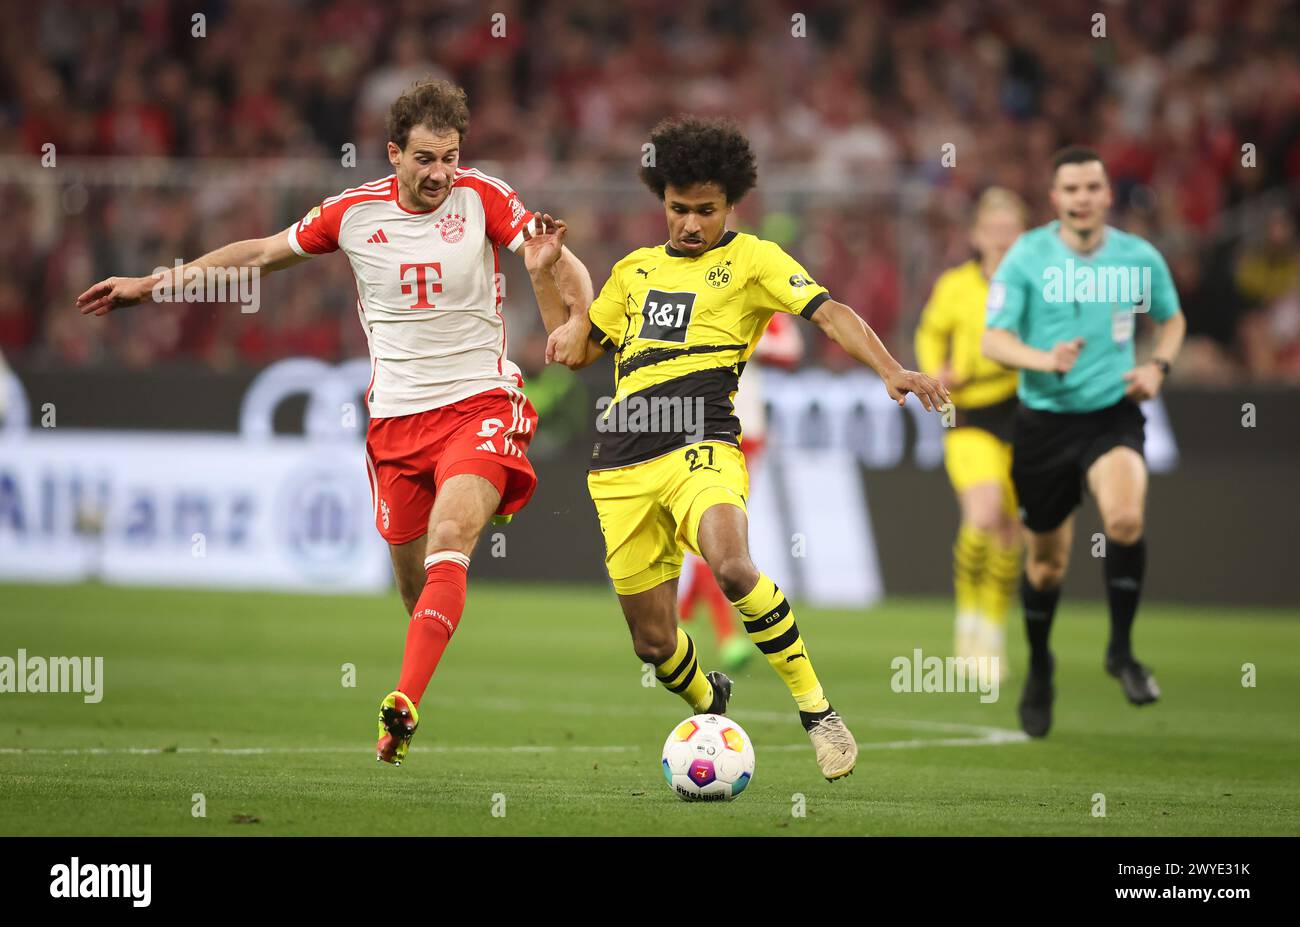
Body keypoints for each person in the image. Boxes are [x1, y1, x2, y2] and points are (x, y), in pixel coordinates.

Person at [75, 78, 593, 766]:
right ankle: (427, 636)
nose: (441, 173)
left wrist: (577, 313)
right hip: (397, 425)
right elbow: (258, 254)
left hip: (480, 403)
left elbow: (557, 258)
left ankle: (401, 706)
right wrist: (149, 284)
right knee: (417, 587)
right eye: (426, 159)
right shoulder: (351, 214)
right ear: (393, 154)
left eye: (451, 157)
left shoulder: (485, 197)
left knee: (450, 535)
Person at [535, 116, 948, 780]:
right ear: (662, 203)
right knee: (654, 643)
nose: (691, 224)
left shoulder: (754, 259)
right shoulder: (633, 271)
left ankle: (818, 712)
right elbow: (572, 351)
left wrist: (890, 368)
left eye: (706, 210)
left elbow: (830, 311)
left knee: (731, 566)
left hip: (703, 441)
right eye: (678, 209)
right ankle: (708, 697)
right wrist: (541, 274)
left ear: (731, 205)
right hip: (621, 465)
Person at [982, 146, 1186, 738]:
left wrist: (1159, 368)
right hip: (1044, 423)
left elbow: (1171, 320)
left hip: (1111, 414)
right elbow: (995, 341)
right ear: (1055, 199)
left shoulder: (1138, 257)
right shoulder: (1026, 256)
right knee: (1047, 565)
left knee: (1124, 521)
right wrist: (1044, 359)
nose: (1081, 199)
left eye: (1091, 188)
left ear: (1106, 194)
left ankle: (1120, 652)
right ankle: (1041, 666)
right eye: (1070, 189)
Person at [914, 188, 1028, 679]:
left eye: (1010, 230)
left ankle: (993, 630)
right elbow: (928, 331)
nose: (1002, 239)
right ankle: (968, 624)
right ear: (977, 235)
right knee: (982, 515)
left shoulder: (1034, 287)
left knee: (1011, 529)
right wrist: (935, 370)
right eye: (994, 230)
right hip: (971, 413)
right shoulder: (955, 286)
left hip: (1023, 411)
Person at [677, 311, 804, 674]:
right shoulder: (691, 292)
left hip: (746, 430)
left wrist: (739, 335)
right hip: (699, 426)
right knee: (712, 532)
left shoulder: (758, 292)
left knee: (718, 532)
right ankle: (725, 635)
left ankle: (684, 614)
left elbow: (791, 348)